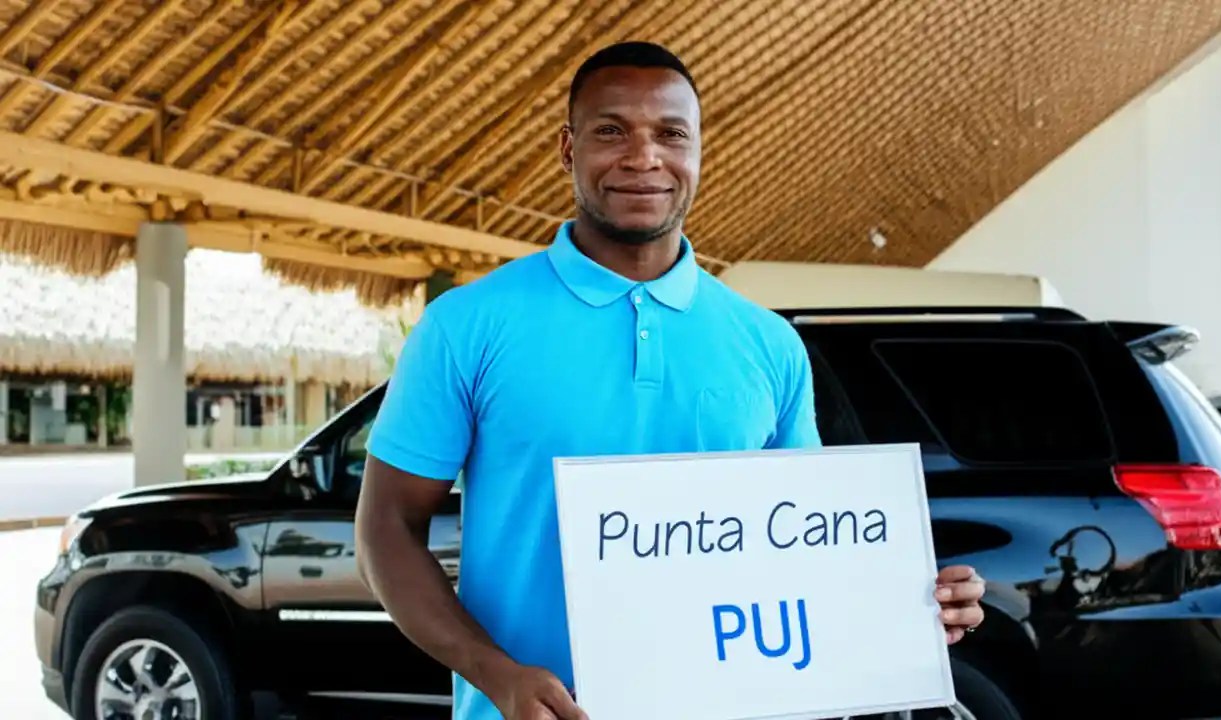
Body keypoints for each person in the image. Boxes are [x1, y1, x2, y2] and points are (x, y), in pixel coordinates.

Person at [354, 40, 986, 720]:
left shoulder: (768, 342)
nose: (642, 157)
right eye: (611, 131)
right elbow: (386, 527)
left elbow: (804, 557)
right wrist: (497, 674)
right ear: (569, 149)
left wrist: (913, 601)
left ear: (699, 152)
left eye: (670, 134)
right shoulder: (465, 326)